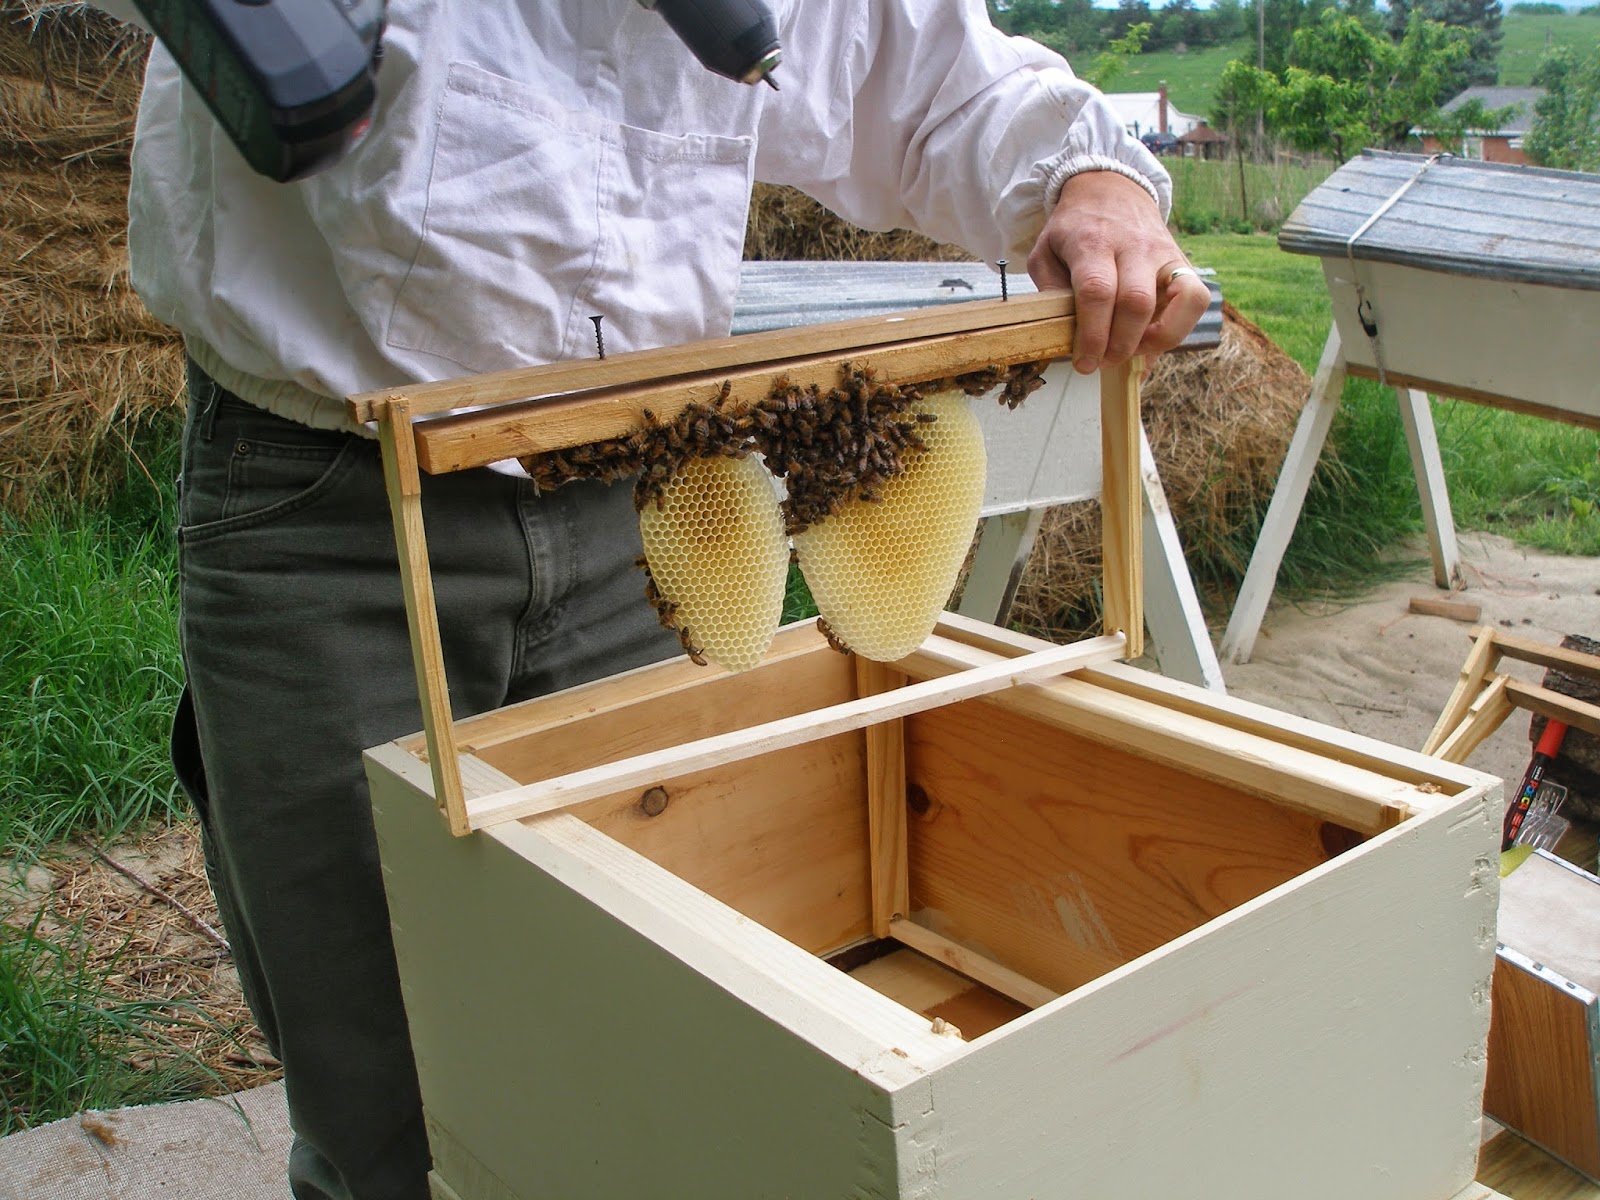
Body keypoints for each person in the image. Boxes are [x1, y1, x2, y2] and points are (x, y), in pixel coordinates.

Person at [90, 2, 1210, 1197]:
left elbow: (920, 68)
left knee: (645, 1026)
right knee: (384, 1073)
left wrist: (1094, 181)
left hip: (652, 496)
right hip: (332, 494)